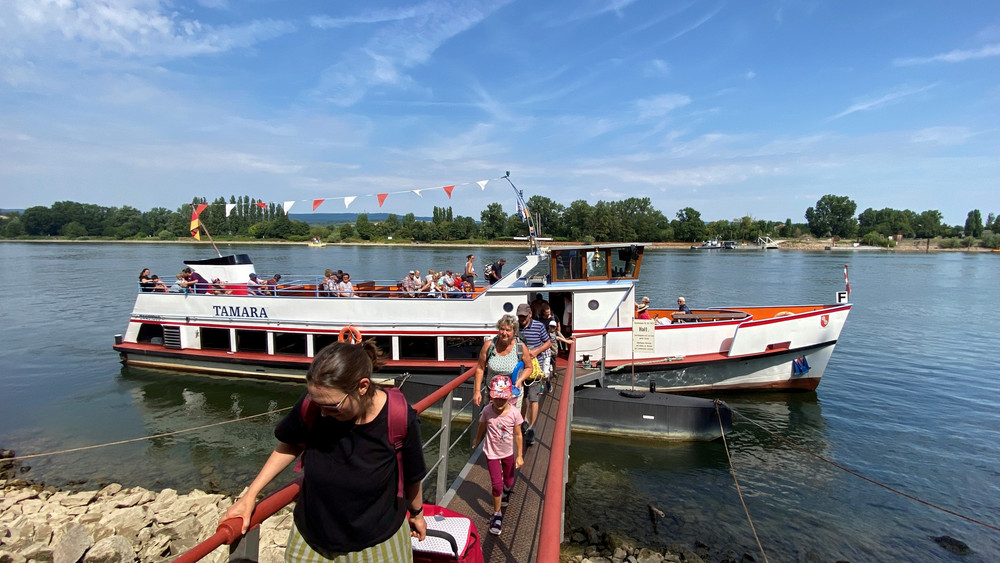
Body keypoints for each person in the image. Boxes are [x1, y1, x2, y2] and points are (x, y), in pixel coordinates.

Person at [222, 342, 428, 560]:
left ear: (363, 386)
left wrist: (417, 514)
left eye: (332, 408)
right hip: (312, 539)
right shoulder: (315, 405)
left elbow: (413, 476)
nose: (322, 414)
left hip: (375, 542)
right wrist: (250, 495)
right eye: (316, 403)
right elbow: (291, 443)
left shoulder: (399, 417)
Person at [472, 375, 524, 536]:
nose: (499, 403)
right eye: (496, 399)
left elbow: (518, 435)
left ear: (509, 396)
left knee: (508, 481)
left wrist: (520, 455)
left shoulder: (514, 413)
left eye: (503, 399)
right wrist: (477, 438)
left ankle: (507, 491)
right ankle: (496, 514)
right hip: (492, 452)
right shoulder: (487, 410)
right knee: (497, 484)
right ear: (490, 397)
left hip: (507, 451)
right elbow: (482, 425)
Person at [472, 315, 531, 410]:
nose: (504, 333)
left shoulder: (520, 347)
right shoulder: (489, 345)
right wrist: (477, 391)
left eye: (508, 330)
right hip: (492, 395)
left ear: (514, 332)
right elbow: (480, 368)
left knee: (511, 423)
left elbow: (529, 367)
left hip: (512, 396)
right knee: (491, 423)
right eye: (502, 329)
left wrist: (520, 380)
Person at [516, 303, 551, 446]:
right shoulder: (515, 327)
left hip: (535, 368)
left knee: (533, 398)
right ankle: (524, 421)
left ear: (530, 314)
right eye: (520, 316)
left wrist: (536, 351)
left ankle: (531, 428)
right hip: (519, 368)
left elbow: (548, 342)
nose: (521, 319)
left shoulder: (538, 326)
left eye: (524, 316)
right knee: (522, 397)